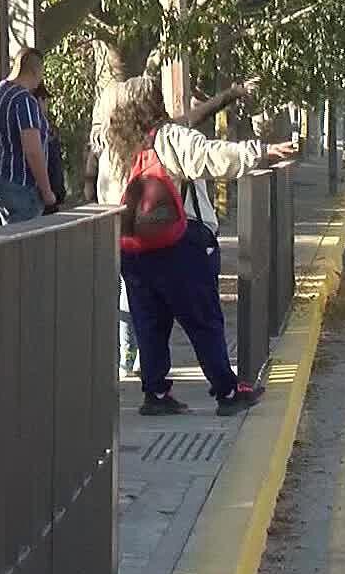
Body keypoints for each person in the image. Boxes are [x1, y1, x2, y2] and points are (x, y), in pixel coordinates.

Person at [104, 75, 298, 416]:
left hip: (132, 251)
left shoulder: (114, 148)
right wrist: (260, 151)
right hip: (179, 246)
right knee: (204, 320)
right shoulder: (167, 138)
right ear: (154, 104)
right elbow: (209, 156)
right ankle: (227, 390)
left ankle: (156, 394)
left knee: (149, 323)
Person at [0, 48, 59, 223]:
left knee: (10, 237)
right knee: (27, 243)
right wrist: (47, 192)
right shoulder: (24, 100)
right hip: (20, 182)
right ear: (35, 71)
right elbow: (32, 150)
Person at [30, 82, 67, 214]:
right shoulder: (42, 129)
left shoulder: (43, 127)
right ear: (40, 100)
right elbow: (53, 164)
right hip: (44, 194)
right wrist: (54, 194)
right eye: (45, 100)